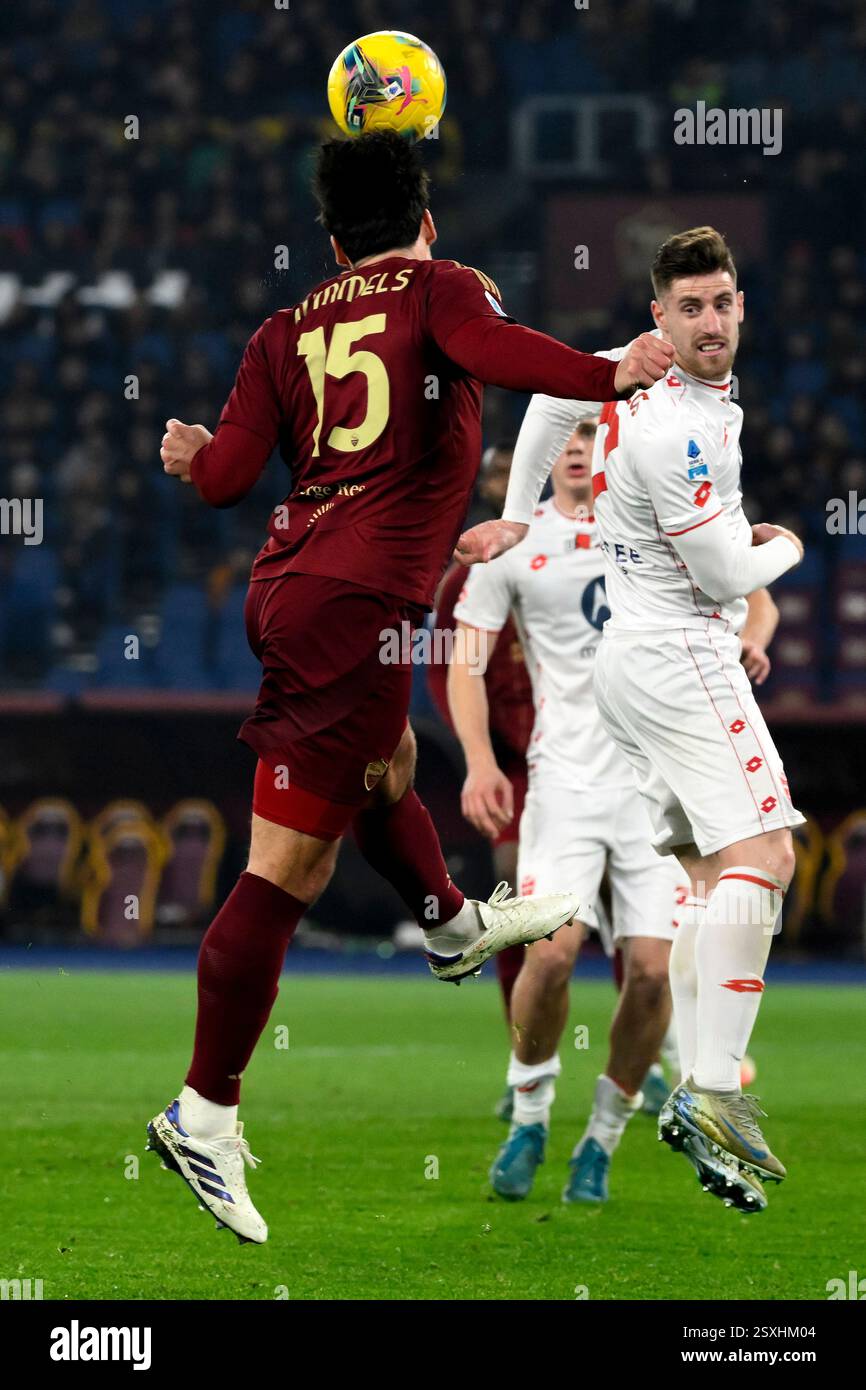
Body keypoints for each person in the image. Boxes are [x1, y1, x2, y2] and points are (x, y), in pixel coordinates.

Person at [150, 131, 673, 1243]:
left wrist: (193, 453)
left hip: (293, 586)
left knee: (387, 763)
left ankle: (444, 923)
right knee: (286, 869)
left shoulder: (281, 329)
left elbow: (229, 479)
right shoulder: (437, 287)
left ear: (332, 238)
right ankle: (204, 1108)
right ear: (424, 222)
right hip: (351, 606)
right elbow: (498, 345)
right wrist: (605, 372)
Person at [456, 226, 804, 1214]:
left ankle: (689, 1087)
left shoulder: (641, 384)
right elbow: (728, 575)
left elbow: (557, 395)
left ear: (739, 307)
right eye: (687, 307)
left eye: (719, 303)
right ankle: (704, 1093)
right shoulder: (679, 428)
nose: (706, 321)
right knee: (765, 856)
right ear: (659, 316)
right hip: (669, 662)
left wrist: (519, 505)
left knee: (699, 887)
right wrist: (782, 547)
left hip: (632, 674)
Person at [450, 421, 687, 1202]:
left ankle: (603, 1139)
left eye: (592, 430)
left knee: (652, 976)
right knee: (549, 954)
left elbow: (747, 593)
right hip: (565, 785)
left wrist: (762, 560)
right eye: (564, 434)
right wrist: (482, 763)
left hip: (657, 790)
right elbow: (465, 663)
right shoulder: (513, 543)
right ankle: (530, 1113)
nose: (578, 446)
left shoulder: (657, 521)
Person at [427, 441, 533, 1078]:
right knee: (515, 885)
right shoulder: (467, 576)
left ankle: (660, 1050)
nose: (502, 481)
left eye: (510, 470)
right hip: (517, 762)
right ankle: (524, 1059)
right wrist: (479, 754)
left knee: (642, 907)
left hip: (603, 753)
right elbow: (446, 670)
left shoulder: (601, 543)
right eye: (494, 471)